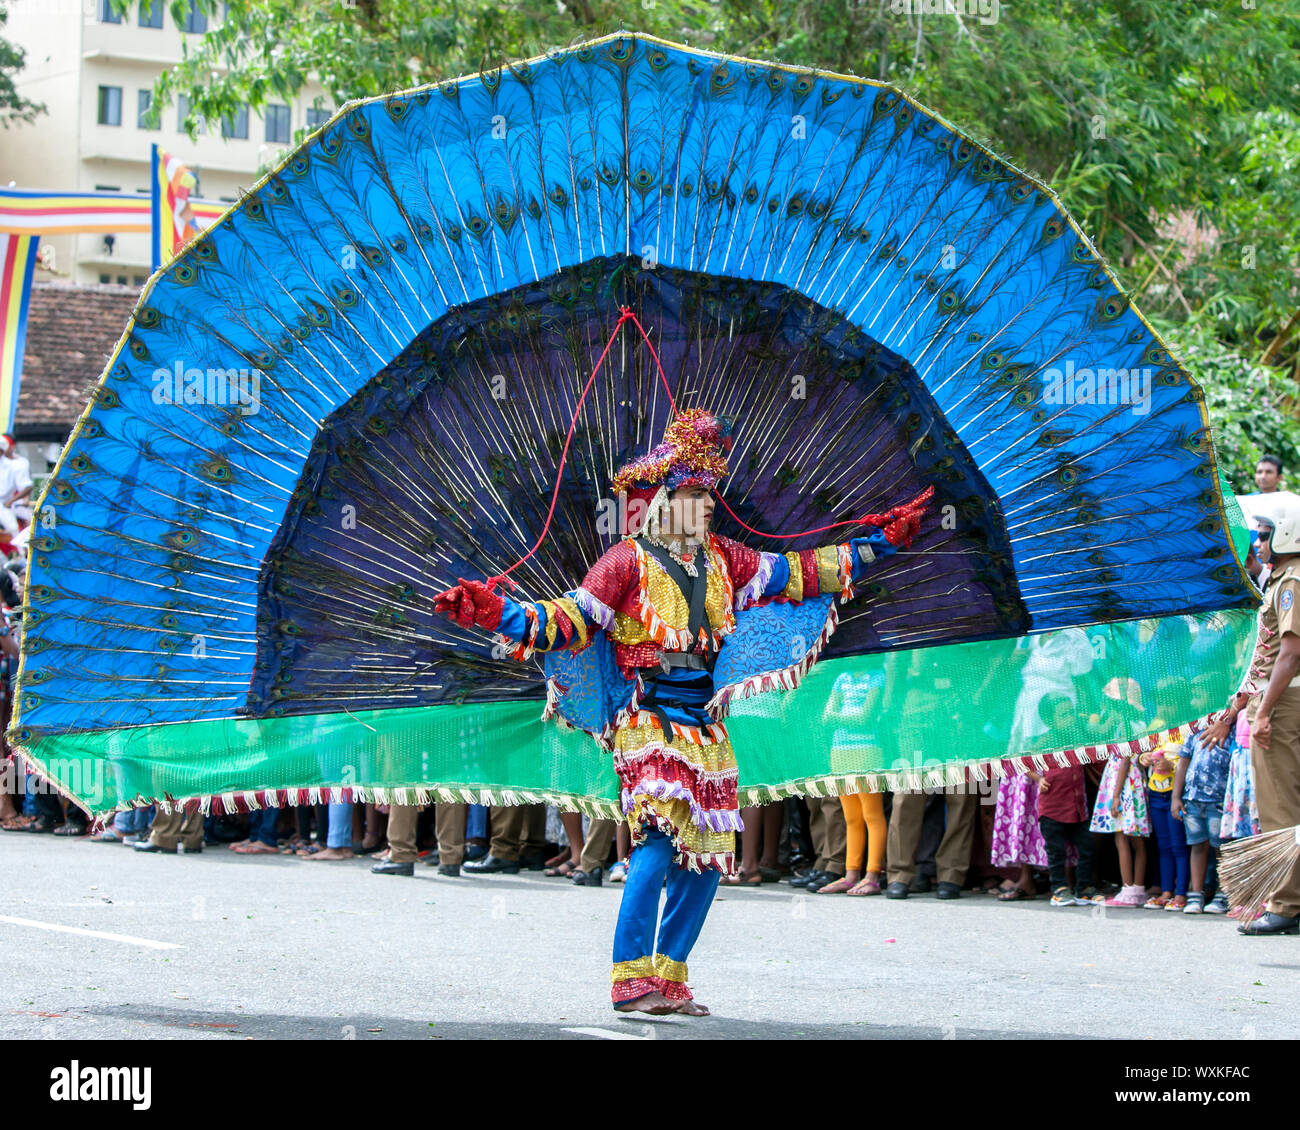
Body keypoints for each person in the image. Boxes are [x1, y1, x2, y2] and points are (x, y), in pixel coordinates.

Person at [433, 409, 926, 1014]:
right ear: (664, 501)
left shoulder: (727, 560)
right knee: (662, 844)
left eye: (708, 495)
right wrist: (491, 611)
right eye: (692, 494)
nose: (705, 505)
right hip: (647, 719)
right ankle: (630, 979)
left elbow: (802, 572)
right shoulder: (624, 563)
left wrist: (879, 542)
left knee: (709, 856)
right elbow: (565, 621)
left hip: (705, 725)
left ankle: (669, 977)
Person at [1215, 492, 1300, 934]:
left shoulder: (1292, 582)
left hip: (1284, 703)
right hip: (1283, 700)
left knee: (1280, 807)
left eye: (1265, 535)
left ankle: (1285, 905)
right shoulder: (1282, 578)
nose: (1260, 543)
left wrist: (1263, 712)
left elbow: (1289, 652)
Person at [1028, 695, 1098, 906]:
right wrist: (1039, 778)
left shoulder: (1077, 736)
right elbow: (1026, 762)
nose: (1070, 718)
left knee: (1087, 846)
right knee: (1056, 850)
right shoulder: (1046, 741)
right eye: (1064, 715)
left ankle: (1083, 887)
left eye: (1071, 713)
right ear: (1050, 721)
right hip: (1052, 807)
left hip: (1077, 806)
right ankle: (1058, 889)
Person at [1171, 721, 1234, 915]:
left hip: (1219, 800)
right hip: (1192, 799)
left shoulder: (1231, 730)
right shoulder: (1194, 730)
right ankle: (1196, 894)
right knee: (1197, 846)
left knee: (1221, 848)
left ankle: (1223, 893)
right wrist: (1176, 797)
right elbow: (1183, 763)